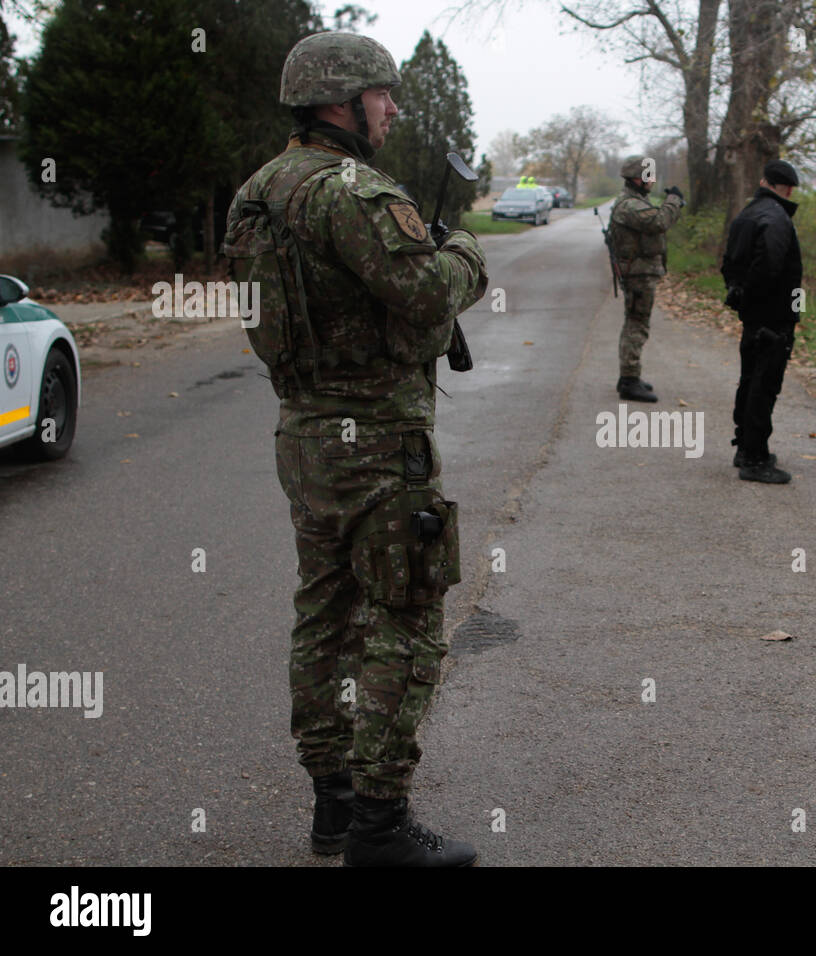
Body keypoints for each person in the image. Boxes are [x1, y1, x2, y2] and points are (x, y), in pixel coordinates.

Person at [224, 32, 488, 866]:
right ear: (341, 100)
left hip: (303, 434)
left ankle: (332, 806)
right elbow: (426, 291)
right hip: (376, 442)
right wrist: (466, 254)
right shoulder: (352, 190)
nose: (393, 108)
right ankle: (379, 822)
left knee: (324, 614)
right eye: (382, 94)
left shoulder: (257, 192)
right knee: (406, 618)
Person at [720, 159, 803, 484]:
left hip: (753, 315)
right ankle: (754, 458)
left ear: (763, 180)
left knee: (749, 378)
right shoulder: (777, 219)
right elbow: (770, 267)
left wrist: (740, 297)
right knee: (764, 384)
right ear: (789, 188)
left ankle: (745, 447)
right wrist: (786, 310)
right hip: (773, 315)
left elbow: (728, 264)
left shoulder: (746, 214)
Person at [606, 156, 685, 403]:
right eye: (649, 176)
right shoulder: (629, 205)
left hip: (640, 272)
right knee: (636, 325)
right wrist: (674, 200)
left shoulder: (637, 202)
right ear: (638, 179)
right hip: (638, 275)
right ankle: (629, 381)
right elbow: (659, 221)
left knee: (637, 323)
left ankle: (629, 377)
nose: (652, 181)